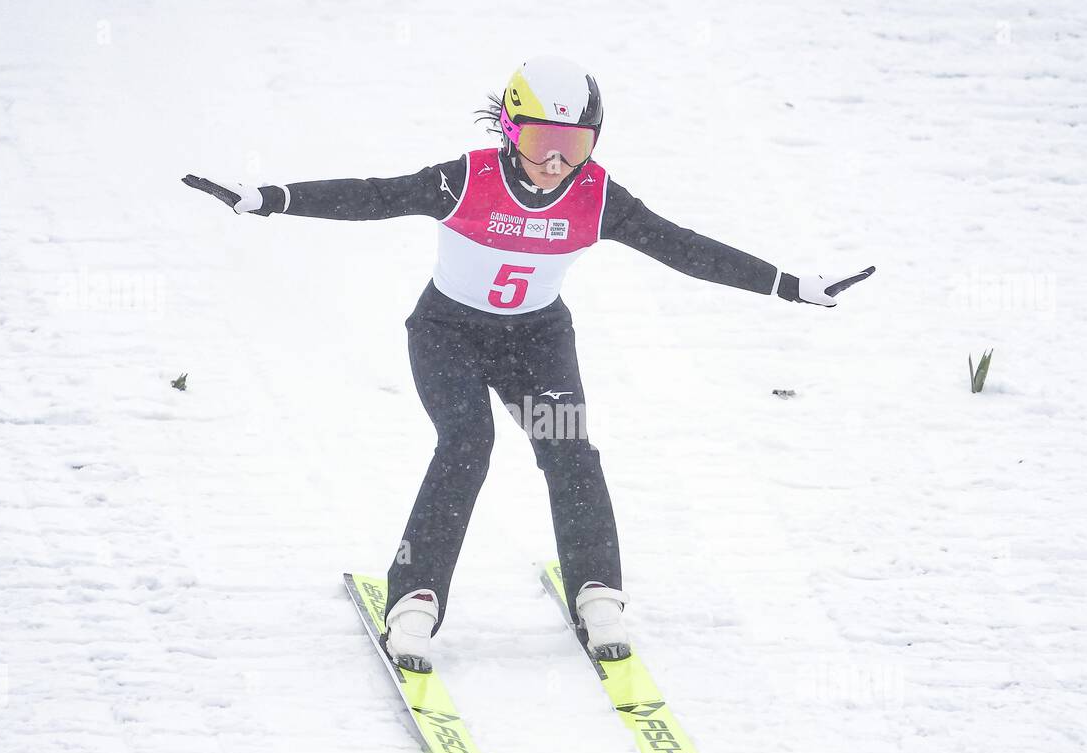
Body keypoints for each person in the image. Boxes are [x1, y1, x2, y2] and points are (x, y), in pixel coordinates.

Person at [184, 55, 874, 673]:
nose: (554, 164)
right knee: (467, 443)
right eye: (543, 144)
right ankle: (413, 603)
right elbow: (374, 194)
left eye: (572, 147)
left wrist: (790, 283)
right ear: (510, 133)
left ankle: (598, 591)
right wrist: (271, 199)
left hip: (536, 341)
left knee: (568, 448)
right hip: (447, 334)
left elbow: (681, 247)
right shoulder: (464, 180)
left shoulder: (598, 196)